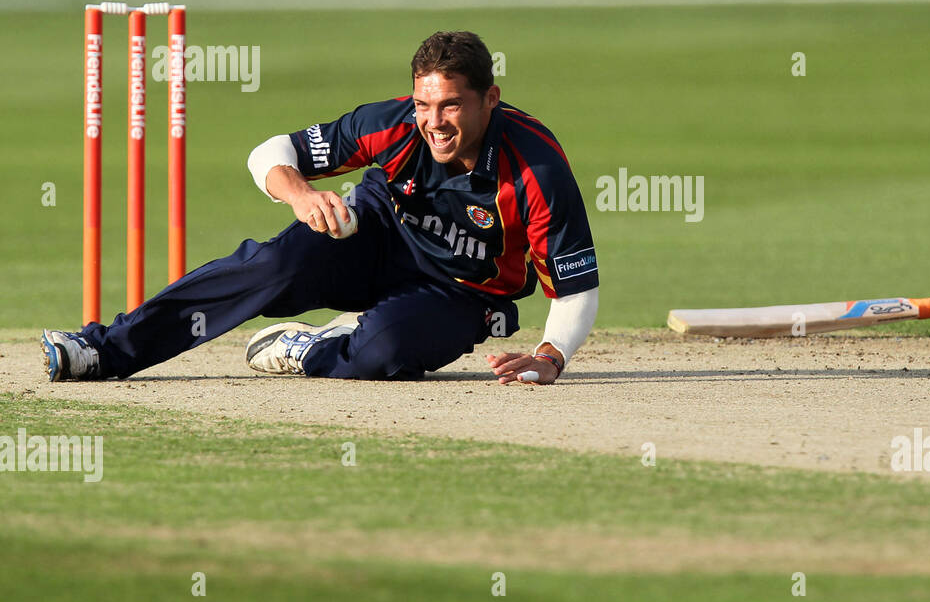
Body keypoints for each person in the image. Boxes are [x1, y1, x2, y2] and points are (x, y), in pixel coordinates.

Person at [42, 31, 599, 384]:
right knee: (272, 266)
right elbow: (270, 154)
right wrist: (302, 195)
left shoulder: (536, 167)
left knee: (384, 350)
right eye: (425, 104)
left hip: (463, 291)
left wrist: (550, 356)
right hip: (372, 236)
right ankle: (103, 350)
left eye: (451, 105)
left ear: (490, 99)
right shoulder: (393, 125)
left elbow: (576, 288)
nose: (434, 122)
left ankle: (310, 348)